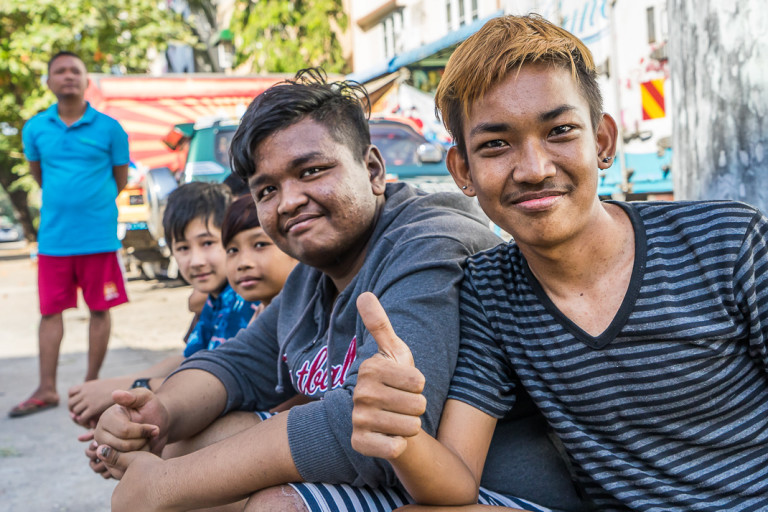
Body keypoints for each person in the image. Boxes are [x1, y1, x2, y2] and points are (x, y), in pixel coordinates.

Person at [350, 13, 768, 511]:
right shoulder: (490, 292)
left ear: (603, 141)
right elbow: (456, 484)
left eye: (561, 131)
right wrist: (401, 430)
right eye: (496, 145)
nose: (534, 169)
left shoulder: (727, 241)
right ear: (463, 170)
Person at [91, 68, 505, 512]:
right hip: (394, 474)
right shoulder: (315, 270)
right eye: (267, 190)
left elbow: (376, 431)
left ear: (373, 170)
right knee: (189, 440)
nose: (288, 202)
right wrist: (160, 413)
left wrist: (166, 486)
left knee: (276, 505)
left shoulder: (431, 242)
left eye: (311, 171)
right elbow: (240, 363)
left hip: (472, 489)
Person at [67, 182, 256, 430]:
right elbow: (190, 360)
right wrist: (125, 385)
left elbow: (219, 381)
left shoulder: (247, 298)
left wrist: (130, 387)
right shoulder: (216, 299)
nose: (196, 261)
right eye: (183, 248)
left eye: (207, 243)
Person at [10, 51, 130, 418]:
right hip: (54, 241)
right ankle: (47, 389)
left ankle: (91, 384)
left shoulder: (110, 128)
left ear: (85, 80)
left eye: (75, 70)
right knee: (50, 313)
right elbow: (38, 174)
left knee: (100, 310)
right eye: (59, 71)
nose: (68, 76)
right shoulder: (35, 128)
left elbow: (120, 180)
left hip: (98, 239)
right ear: (49, 81)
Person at [221, 193, 298, 319]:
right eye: (232, 250)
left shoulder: (316, 320)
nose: (243, 263)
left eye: (260, 245)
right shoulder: (260, 319)